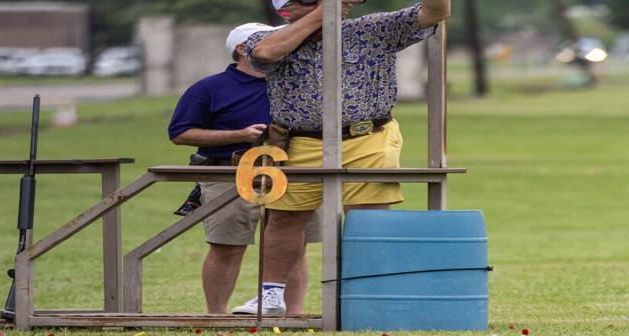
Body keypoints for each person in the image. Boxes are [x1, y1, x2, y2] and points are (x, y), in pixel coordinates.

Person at [244, 0, 451, 315]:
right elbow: (264, 55)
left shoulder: (370, 28)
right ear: (285, 10)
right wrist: (321, 14)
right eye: (310, 1)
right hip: (299, 140)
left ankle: (366, 294)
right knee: (284, 218)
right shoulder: (267, 39)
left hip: (367, 136)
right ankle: (271, 295)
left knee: (367, 219)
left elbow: (435, 12)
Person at [167, 22, 320, 315]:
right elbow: (180, 133)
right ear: (242, 49)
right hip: (229, 172)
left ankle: (294, 314)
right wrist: (240, 135)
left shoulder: (296, 82)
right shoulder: (208, 88)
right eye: (268, 39)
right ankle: (217, 316)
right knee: (227, 246)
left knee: (294, 246)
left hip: (291, 171)